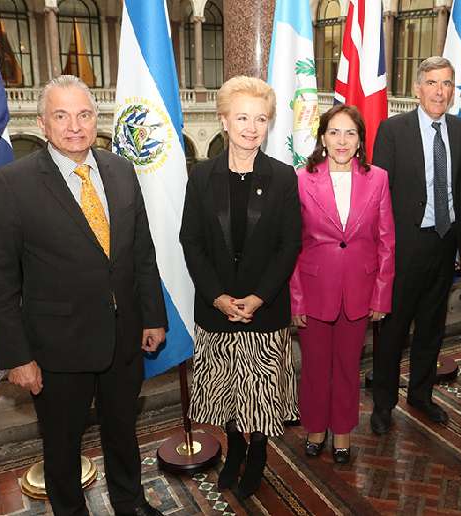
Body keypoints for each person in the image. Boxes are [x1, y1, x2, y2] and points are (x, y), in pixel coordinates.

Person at [0, 75, 167, 516]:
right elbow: (2, 281)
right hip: (57, 350)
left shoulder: (121, 170)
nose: (74, 126)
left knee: (123, 432)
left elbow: (141, 251)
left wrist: (152, 316)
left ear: (96, 119)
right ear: (43, 123)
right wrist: (17, 356)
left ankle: (130, 501)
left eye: (83, 114)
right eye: (61, 116)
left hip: (123, 339)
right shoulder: (13, 183)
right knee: (62, 447)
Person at [179, 76, 301, 500]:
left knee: (261, 394)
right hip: (216, 309)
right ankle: (233, 450)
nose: (251, 127)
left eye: (261, 118)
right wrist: (217, 296)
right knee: (226, 390)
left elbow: (290, 245)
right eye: (242, 117)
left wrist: (258, 297)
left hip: (264, 310)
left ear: (269, 124)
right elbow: (190, 240)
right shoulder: (201, 176)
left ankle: (260, 454)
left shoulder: (284, 177)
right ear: (224, 121)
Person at [369, 56, 461, 434]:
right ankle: (383, 405)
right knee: (393, 333)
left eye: (446, 83)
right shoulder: (393, 130)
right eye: (432, 82)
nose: (439, 91)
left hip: (444, 244)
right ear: (417, 88)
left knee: (432, 328)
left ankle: (421, 395)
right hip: (402, 248)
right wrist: (382, 253)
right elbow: (378, 196)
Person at [290, 104, 395, 463]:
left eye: (350, 133)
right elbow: (292, 245)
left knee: (348, 368)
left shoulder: (377, 178)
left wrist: (381, 296)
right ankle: (316, 430)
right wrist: (296, 301)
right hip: (314, 291)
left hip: (359, 292)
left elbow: (386, 241)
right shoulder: (302, 178)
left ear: (360, 141)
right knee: (316, 368)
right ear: (322, 137)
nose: (341, 140)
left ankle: (343, 434)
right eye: (334, 131)